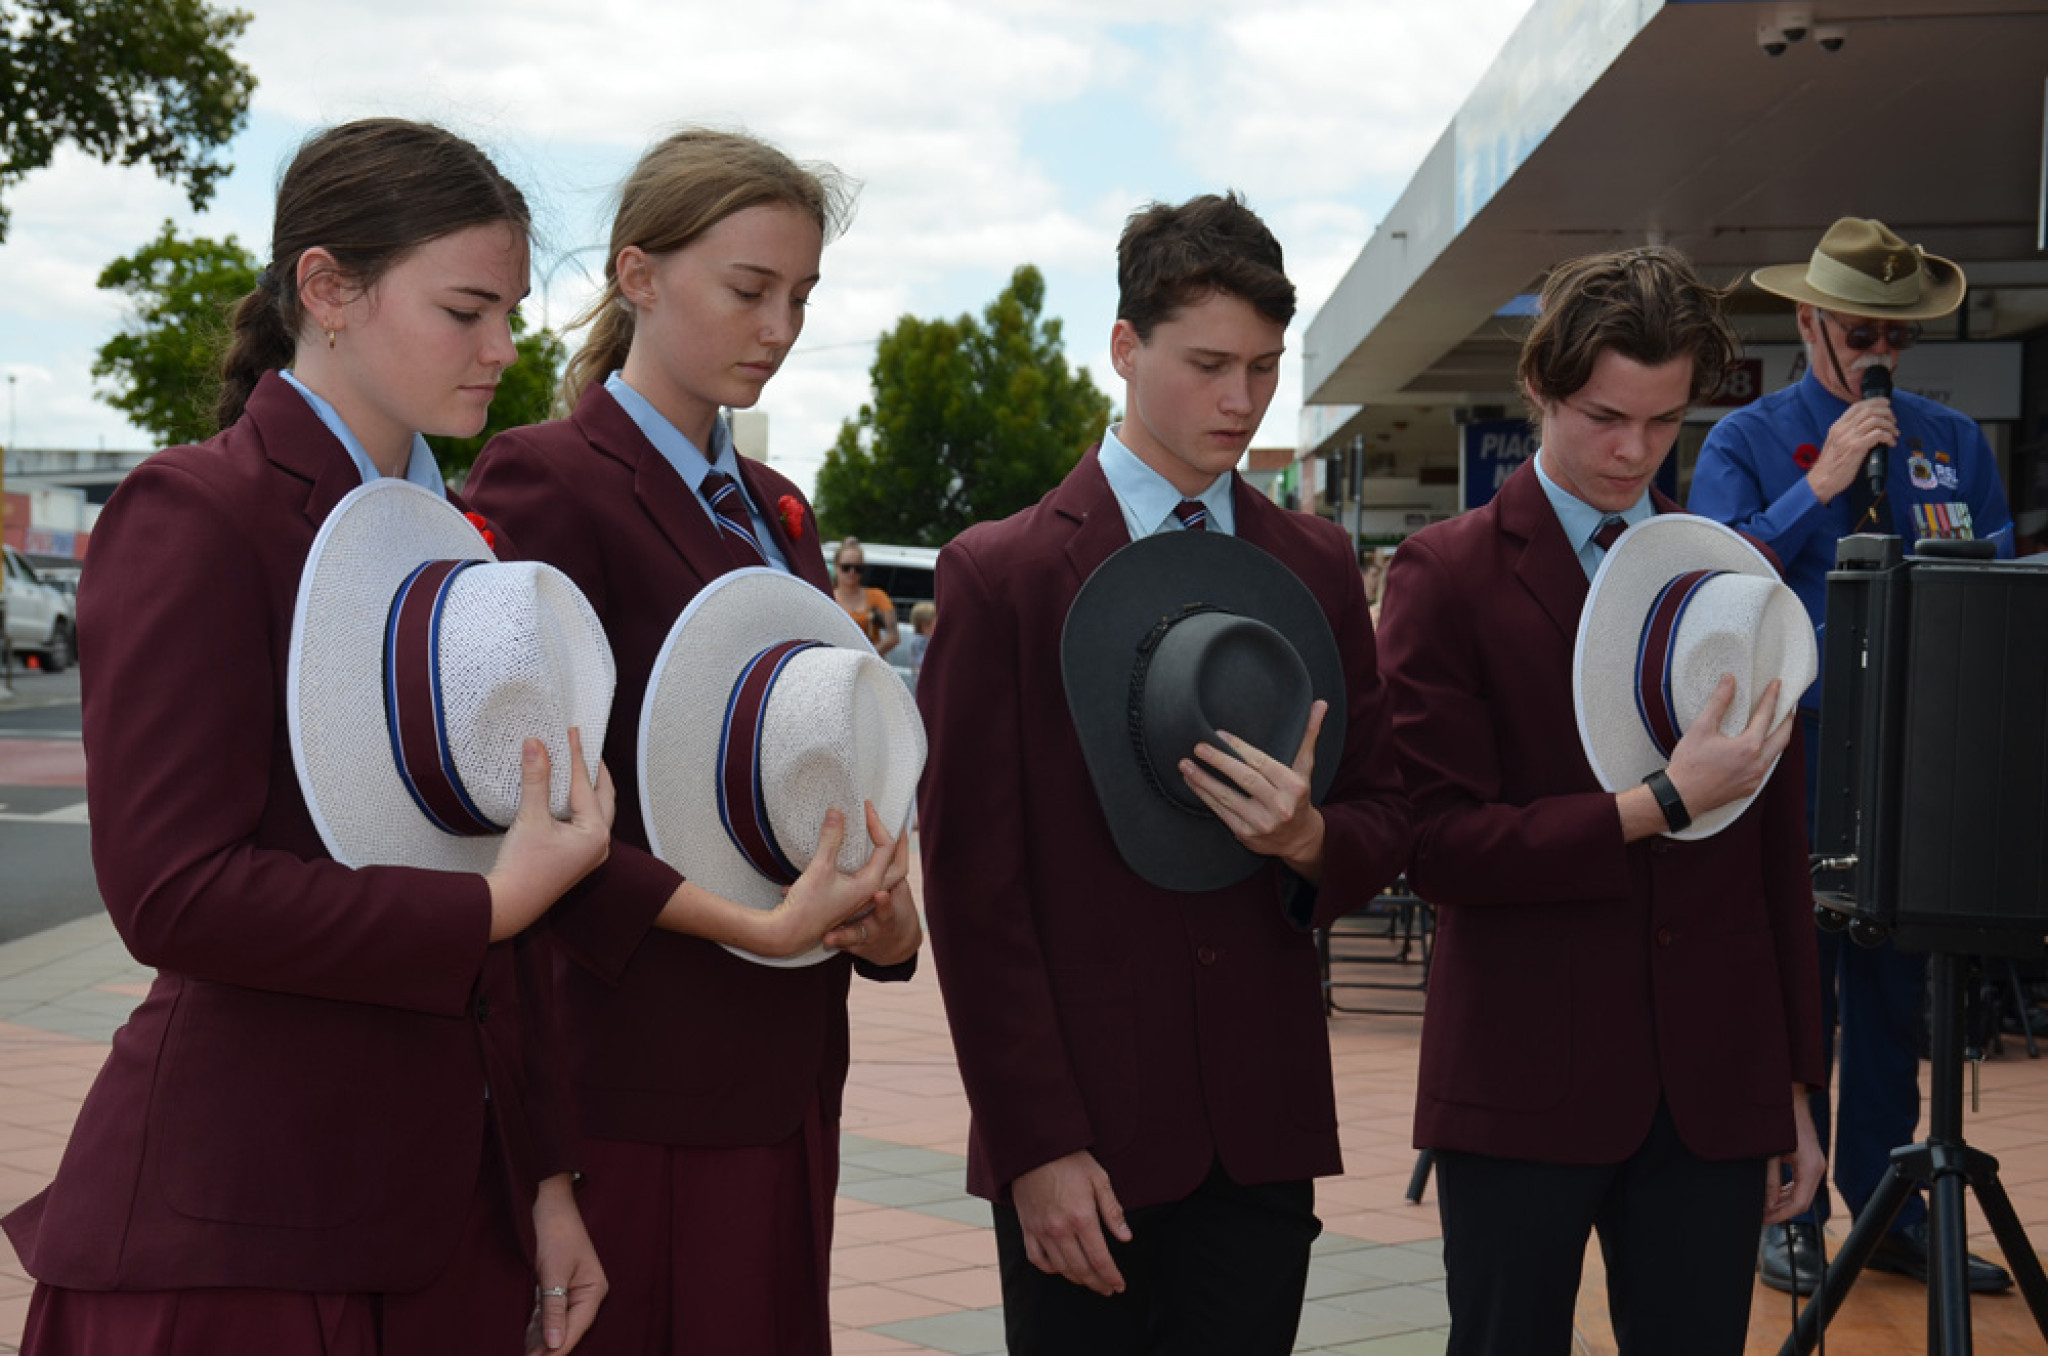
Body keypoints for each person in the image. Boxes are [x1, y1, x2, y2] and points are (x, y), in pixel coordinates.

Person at [0, 118, 614, 1355]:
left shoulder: (465, 546)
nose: (502, 349)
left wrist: (545, 1181)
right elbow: (174, 893)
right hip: (242, 1221)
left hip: (450, 1215)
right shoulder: (199, 511)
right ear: (327, 289)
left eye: (508, 313)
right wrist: (488, 907)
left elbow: (507, 901)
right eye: (465, 310)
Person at [918, 192, 1410, 1355]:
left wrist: (1310, 844)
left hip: (1261, 1129)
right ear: (1124, 349)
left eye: (1262, 367)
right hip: (1081, 1140)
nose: (1240, 400)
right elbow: (973, 895)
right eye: (1207, 365)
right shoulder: (1000, 575)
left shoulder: (1316, 564)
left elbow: (1387, 810)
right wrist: (1035, 1143)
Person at [465, 129, 920, 1356]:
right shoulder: (544, 480)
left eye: (800, 297)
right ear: (638, 275)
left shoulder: (776, 509)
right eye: (748, 289)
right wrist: (751, 927)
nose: (778, 328)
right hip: (634, 1070)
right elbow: (523, 810)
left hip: (788, 1063)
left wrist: (885, 921)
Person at [1375, 246, 1825, 1355]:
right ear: (1539, 386)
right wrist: (1652, 804)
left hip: (1712, 1090)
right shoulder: (1446, 572)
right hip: (1522, 1076)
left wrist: (1792, 1085)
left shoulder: (1732, 574)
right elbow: (1436, 847)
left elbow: (1774, 857)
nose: (1633, 451)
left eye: (1665, 421)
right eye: (1603, 417)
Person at [1688, 217, 2016, 1295]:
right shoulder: (1747, 439)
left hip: (1913, 755)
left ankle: (1888, 1212)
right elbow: (1713, 581)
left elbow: (1995, 573)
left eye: (1896, 335)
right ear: (1808, 322)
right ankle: (1783, 1206)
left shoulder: (1949, 440)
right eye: (1860, 332)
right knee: (1793, 990)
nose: (1879, 354)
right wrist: (1817, 485)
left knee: (1890, 995)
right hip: (1792, 749)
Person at [832, 536, 900, 656]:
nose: (852, 572)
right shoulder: (828, 598)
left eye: (858, 568)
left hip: (871, 661)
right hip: (838, 659)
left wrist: (867, 655)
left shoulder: (878, 595)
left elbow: (893, 637)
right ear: (836, 567)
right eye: (846, 568)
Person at [905, 599, 936, 682]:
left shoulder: (926, 640)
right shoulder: (919, 642)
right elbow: (921, 662)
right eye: (935, 621)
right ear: (925, 625)